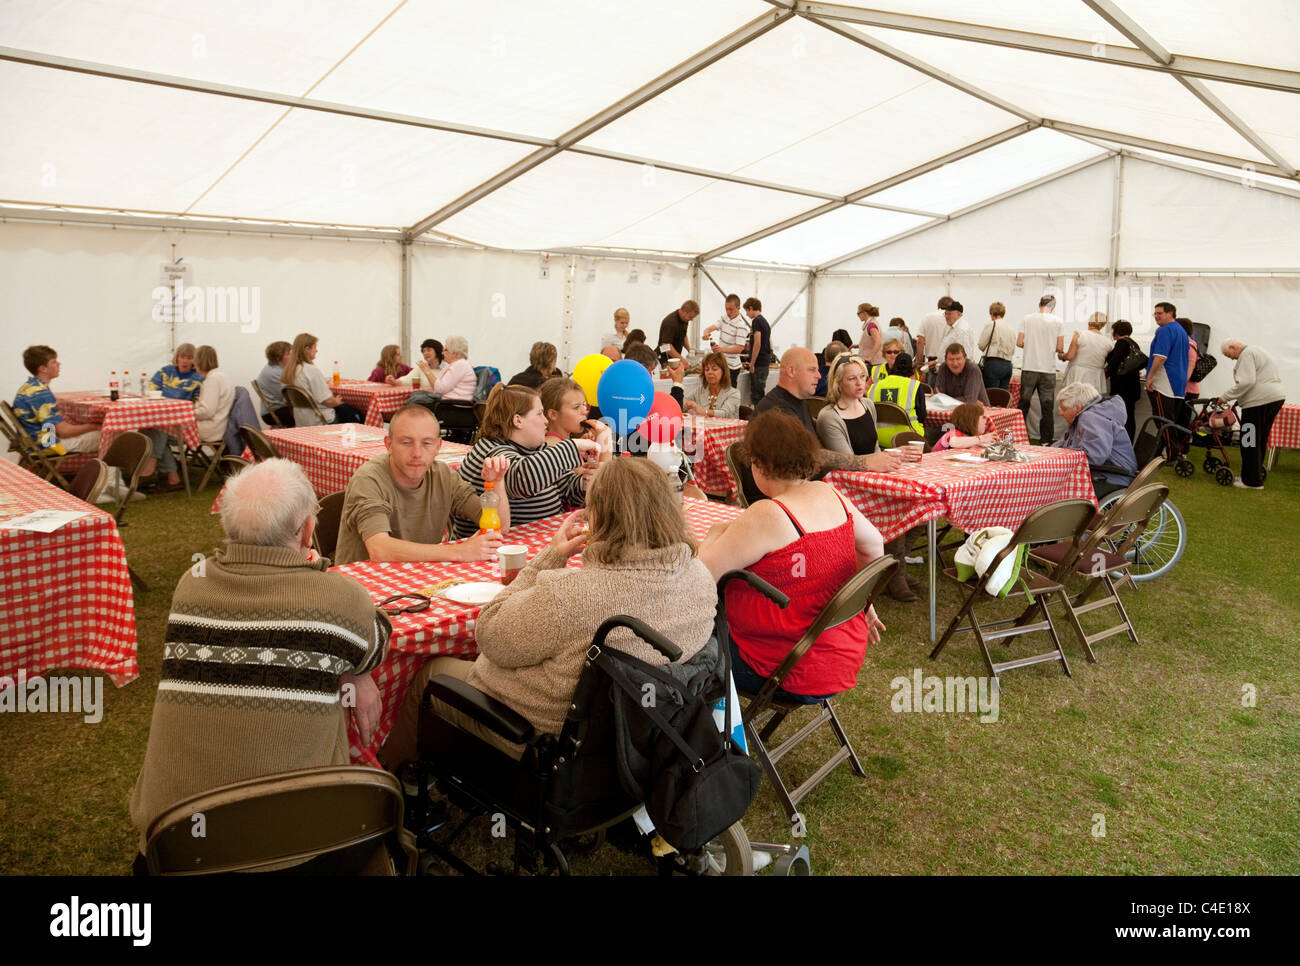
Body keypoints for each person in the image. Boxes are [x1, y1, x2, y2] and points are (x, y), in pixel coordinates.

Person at [128, 458, 390, 872]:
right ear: (307, 530)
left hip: (171, 848)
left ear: (228, 528)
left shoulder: (189, 585)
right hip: (291, 854)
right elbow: (376, 645)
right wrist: (357, 672)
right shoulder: (337, 596)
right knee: (380, 819)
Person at [380, 457, 716, 765]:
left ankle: (393, 793)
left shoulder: (573, 594)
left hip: (543, 741)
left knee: (431, 672)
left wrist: (549, 557)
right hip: (638, 743)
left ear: (597, 516)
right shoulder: (700, 576)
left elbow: (490, 634)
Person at [699, 410, 887, 701]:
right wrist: (860, 600)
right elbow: (874, 545)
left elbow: (700, 578)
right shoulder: (830, 494)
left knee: (690, 642)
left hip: (777, 669)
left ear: (757, 464)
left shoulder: (767, 515)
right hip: (840, 658)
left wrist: (713, 535)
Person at [334, 405, 511, 564]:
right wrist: (458, 551)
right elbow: (379, 549)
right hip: (364, 586)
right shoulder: (368, 479)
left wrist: (497, 482)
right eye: (406, 442)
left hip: (419, 577)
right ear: (389, 445)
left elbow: (500, 527)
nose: (417, 453)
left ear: (438, 447)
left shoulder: (444, 476)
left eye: (426, 443)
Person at [452, 384, 603, 539]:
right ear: (518, 420)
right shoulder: (492, 451)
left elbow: (566, 488)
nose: (545, 421)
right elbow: (522, 479)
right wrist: (572, 447)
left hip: (540, 540)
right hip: (501, 551)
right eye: (539, 414)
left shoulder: (533, 448)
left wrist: (585, 482)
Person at [143, 344, 235, 490]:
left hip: (210, 428)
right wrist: (190, 409)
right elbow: (205, 407)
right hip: (213, 424)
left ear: (200, 361)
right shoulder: (219, 376)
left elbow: (207, 411)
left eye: (194, 360)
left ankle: (149, 470)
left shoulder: (212, 380)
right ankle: (171, 475)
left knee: (159, 429)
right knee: (160, 429)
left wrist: (185, 414)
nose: (192, 364)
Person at [1217, 339, 1286, 490]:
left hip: (1258, 402)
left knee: (1249, 441)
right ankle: (1253, 474)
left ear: (1234, 347)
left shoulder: (1246, 354)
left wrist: (1225, 396)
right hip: (1275, 398)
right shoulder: (1258, 350)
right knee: (1259, 439)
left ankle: (1251, 481)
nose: (1232, 359)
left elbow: (1247, 382)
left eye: (1230, 356)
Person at [12, 345, 101, 454]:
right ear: (43, 368)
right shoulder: (40, 393)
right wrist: (93, 426)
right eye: (54, 362)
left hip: (32, 442)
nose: (58, 364)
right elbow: (63, 431)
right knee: (108, 436)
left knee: (93, 432)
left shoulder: (29, 387)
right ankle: (111, 471)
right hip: (46, 444)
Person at [1053, 383, 1137, 497]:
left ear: (1077, 408)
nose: (1060, 412)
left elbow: (1095, 456)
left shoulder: (1090, 418)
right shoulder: (1087, 415)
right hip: (1109, 472)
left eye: (1063, 408)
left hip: (1113, 477)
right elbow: (1065, 442)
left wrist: (1063, 458)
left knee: (1055, 489)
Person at [282, 332, 363, 426]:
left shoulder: (288, 372)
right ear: (307, 349)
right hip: (320, 419)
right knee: (355, 415)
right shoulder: (311, 370)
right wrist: (336, 401)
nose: (317, 351)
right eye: (315, 347)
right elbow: (327, 401)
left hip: (301, 420)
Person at [1017, 294, 1064, 444]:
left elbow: (1019, 342)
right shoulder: (1058, 322)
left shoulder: (1027, 319)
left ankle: (1018, 438)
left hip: (1029, 367)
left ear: (1039, 305)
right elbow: (1060, 347)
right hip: (1048, 370)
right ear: (1053, 307)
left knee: (1023, 404)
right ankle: (1046, 441)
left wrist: (1031, 346)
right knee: (1047, 407)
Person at [1145, 301, 1189, 458]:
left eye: (1159, 313)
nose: (1156, 316)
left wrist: (1150, 377)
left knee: (1163, 420)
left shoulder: (1165, 330)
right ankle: (1167, 450)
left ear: (1170, 313)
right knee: (1169, 419)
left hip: (1165, 380)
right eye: (1154, 313)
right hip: (1177, 381)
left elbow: (1161, 357)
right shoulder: (1181, 330)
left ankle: (1172, 453)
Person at [816, 354, 878, 458]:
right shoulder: (828, 417)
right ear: (838, 383)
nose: (859, 383)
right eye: (852, 378)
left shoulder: (868, 404)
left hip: (874, 470)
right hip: (848, 473)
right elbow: (848, 461)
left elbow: (876, 448)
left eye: (862, 376)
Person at [541, 377, 614, 454]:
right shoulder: (554, 448)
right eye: (576, 407)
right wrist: (605, 444)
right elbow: (604, 465)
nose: (585, 411)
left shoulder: (565, 444)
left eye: (584, 404)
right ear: (553, 415)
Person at [870, 351, 927, 446]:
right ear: (912, 370)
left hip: (878, 438)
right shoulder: (914, 386)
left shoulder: (875, 387)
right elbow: (922, 415)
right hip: (908, 438)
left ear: (893, 367)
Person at [1105, 320, 1143, 440]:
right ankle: (1129, 440)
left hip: (1123, 386)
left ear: (1116, 331)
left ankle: (1124, 442)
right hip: (1133, 385)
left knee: (1123, 416)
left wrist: (1106, 372)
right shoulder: (1134, 344)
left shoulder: (1121, 343)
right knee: (1130, 415)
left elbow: (1114, 362)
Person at [701, 294, 749, 380]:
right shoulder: (724, 318)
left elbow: (739, 349)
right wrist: (706, 333)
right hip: (721, 363)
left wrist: (721, 350)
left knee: (729, 393)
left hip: (732, 367)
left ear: (738, 308)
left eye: (731, 309)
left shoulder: (741, 325)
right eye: (726, 309)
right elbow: (710, 328)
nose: (728, 312)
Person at [626, 342, 685, 410]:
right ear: (641, 368)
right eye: (650, 371)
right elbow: (672, 414)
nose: (651, 376)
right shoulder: (636, 396)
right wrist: (677, 384)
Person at [1062, 312, 1110, 393]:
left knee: (1074, 401)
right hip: (1096, 376)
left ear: (1089, 322)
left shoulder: (1080, 335)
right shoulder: (1108, 342)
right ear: (1103, 325)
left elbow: (1070, 356)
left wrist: (1062, 356)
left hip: (1078, 374)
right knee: (1092, 402)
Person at [418, 335, 476, 402]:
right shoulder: (455, 365)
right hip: (449, 403)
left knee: (416, 402)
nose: (442, 353)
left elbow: (440, 389)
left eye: (445, 350)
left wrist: (426, 371)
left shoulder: (459, 365)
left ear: (454, 353)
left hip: (453, 406)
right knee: (417, 396)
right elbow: (439, 387)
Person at [683, 352, 740, 419]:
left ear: (723, 372)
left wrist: (704, 411)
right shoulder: (700, 391)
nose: (710, 372)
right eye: (707, 369)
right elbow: (684, 404)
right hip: (704, 428)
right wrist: (688, 406)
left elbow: (725, 413)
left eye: (714, 369)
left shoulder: (734, 393)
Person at [978, 302, 1015, 391]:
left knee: (991, 395)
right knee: (1003, 396)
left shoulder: (991, 325)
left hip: (993, 363)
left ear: (991, 313)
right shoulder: (1011, 328)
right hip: (1008, 365)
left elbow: (981, 345)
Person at [743, 296, 773, 407]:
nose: (746, 314)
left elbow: (757, 343)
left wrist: (752, 363)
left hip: (759, 363)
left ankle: (759, 417)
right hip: (764, 361)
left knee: (757, 395)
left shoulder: (756, 321)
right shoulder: (764, 322)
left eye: (746, 311)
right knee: (760, 392)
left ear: (751, 308)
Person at [932, 402, 998, 453]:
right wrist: (981, 439)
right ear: (971, 420)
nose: (986, 421)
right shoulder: (953, 432)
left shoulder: (968, 437)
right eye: (982, 418)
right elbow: (954, 443)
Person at [256, 340, 294, 427]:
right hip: (274, 412)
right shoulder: (274, 373)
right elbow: (290, 397)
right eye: (288, 354)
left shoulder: (276, 368)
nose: (292, 356)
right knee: (309, 413)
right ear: (278, 357)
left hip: (279, 408)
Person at [913, 296, 953, 372]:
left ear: (938, 306)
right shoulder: (954, 320)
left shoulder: (927, 318)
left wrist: (919, 363)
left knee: (931, 384)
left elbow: (920, 341)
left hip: (931, 364)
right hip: (950, 362)